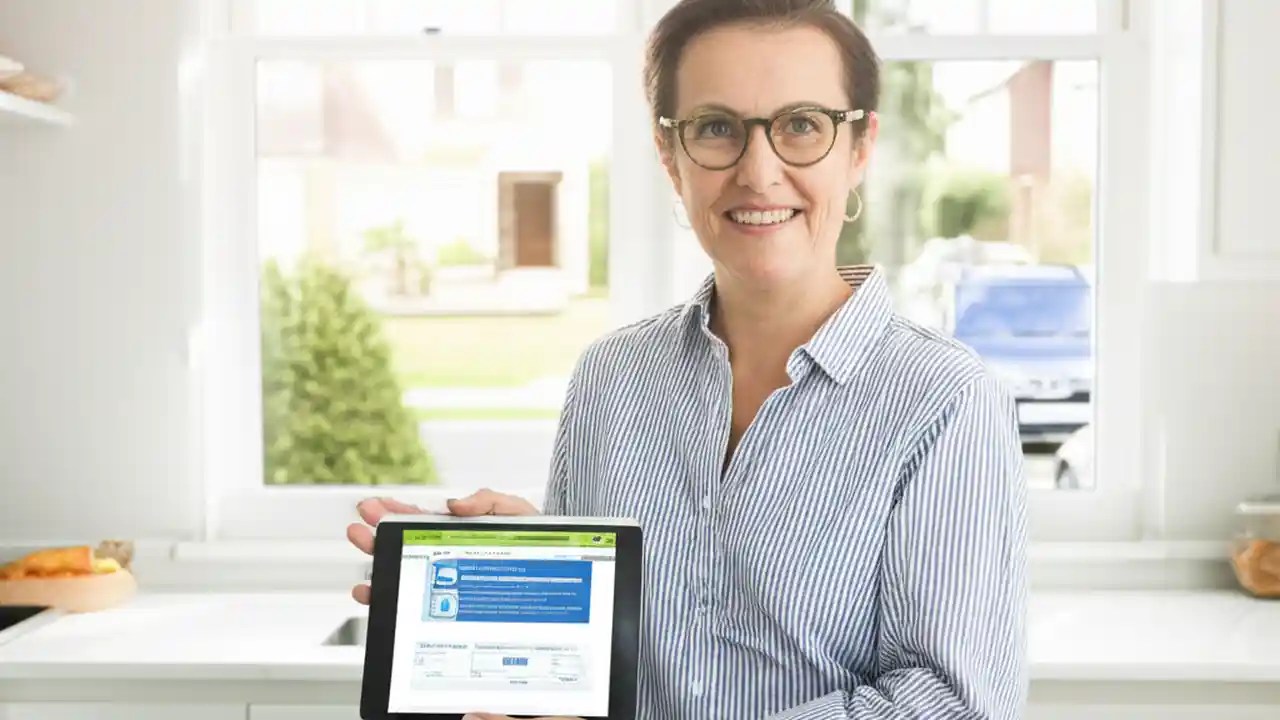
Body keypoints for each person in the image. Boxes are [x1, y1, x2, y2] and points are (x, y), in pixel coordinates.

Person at [347, 1, 1028, 718]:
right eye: (716, 128)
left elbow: (952, 703)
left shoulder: (947, 400)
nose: (759, 172)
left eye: (802, 125)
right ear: (670, 157)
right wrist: (528, 581)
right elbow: (594, 680)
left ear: (859, 149)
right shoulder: (611, 380)